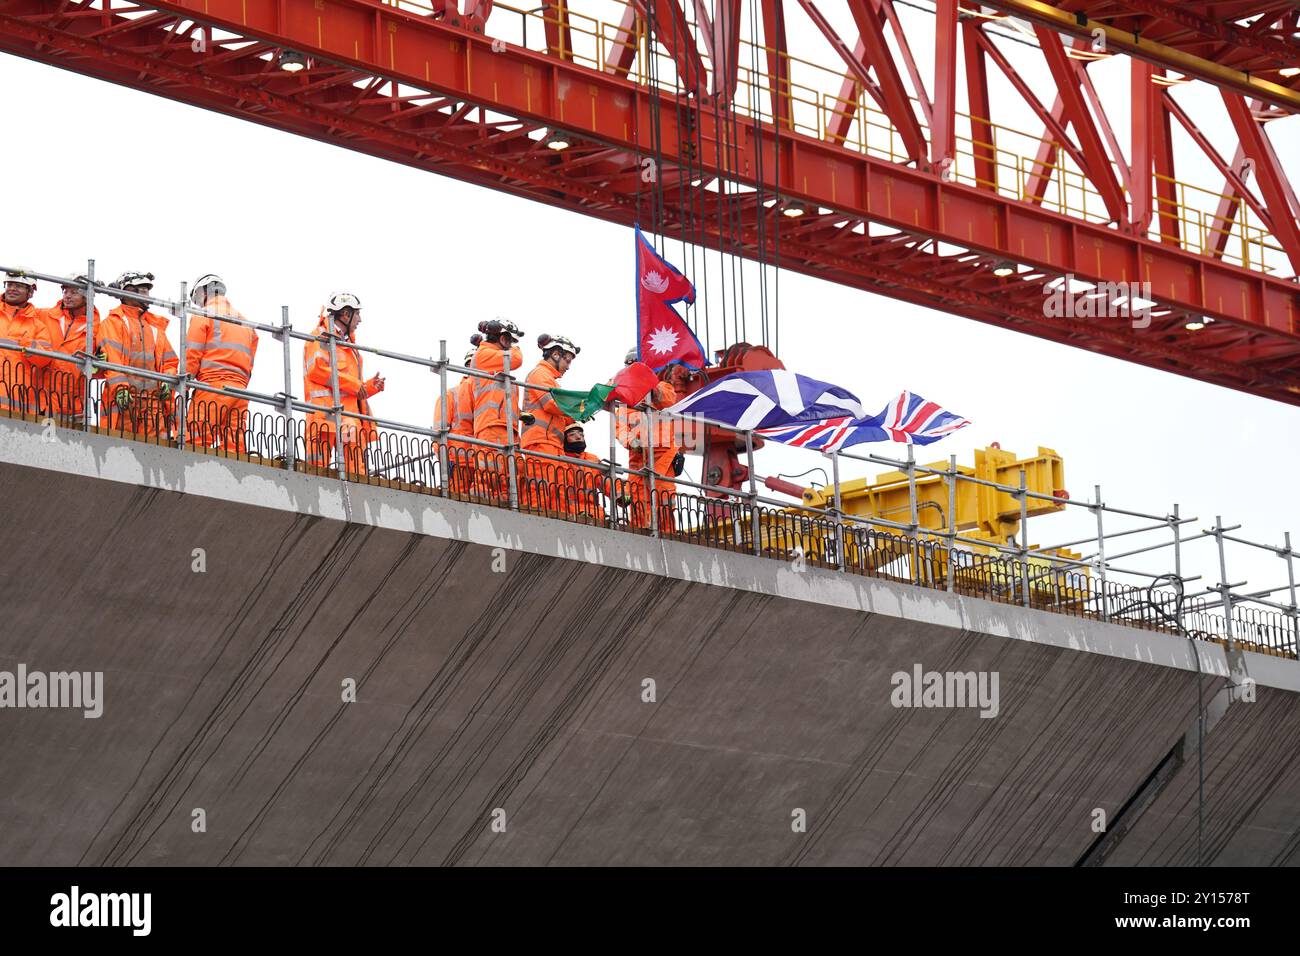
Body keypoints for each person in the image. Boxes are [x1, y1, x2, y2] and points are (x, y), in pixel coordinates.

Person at [303, 292, 384, 472]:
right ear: (345, 314)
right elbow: (317, 370)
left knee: (355, 473)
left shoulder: (351, 349)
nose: (360, 320)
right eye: (357, 314)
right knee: (316, 473)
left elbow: (351, 389)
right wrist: (356, 385)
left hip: (348, 421)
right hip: (323, 417)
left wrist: (369, 387)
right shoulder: (320, 338)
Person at [99, 271, 179, 439]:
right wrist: (120, 388)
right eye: (141, 290)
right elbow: (112, 359)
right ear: (127, 291)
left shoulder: (155, 327)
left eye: (147, 290)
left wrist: (167, 380)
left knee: (156, 455)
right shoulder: (114, 322)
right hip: (125, 401)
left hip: (154, 405)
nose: (146, 295)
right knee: (119, 451)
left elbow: (170, 361)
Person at [184, 274, 259, 452]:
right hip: (240, 390)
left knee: (197, 441)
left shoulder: (204, 314)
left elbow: (192, 354)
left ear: (203, 292)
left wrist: (183, 385)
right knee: (234, 446)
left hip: (212, 386)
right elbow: (250, 362)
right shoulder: (246, 323)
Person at [615, 363, 687, 531]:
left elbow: (668, 398)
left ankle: (668, 536)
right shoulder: (626, 403)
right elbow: (620, 428)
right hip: (638, 460)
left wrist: (651, 389)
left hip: (663, 458)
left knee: (665, 501)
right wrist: (632, 441)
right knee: (638, 501)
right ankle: (640, 534)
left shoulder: (660, 388)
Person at [469, 317, 530, 499]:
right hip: (490, 425)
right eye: (510, 340)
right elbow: (517, 359)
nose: (511, 345)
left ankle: (504, 505)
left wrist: (520, 414)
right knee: (488, 473)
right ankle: (481, 508)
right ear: (503, 339)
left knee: (510, 472)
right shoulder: (484, 355)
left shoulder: (494, 360)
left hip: (505, 426)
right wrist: (515, 348)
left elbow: (499, 396)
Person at [42, 271, 102, 425]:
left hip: (75, 405)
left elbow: (100, 369)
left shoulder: (97, 328)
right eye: (65, 291)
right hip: (42, 399)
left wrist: (101, 363)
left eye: (74, 292)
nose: (67, 296)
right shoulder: (44, 316)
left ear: (87, 296)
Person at [0, 270, 59, 416]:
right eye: (10, 284)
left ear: (30, 292)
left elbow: (44, 360)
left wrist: (26, 343)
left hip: (16, 402)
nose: (12, 289)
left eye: (19, 286)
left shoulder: (38, 326)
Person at [520, 333, 580, 456]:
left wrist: (580, 412)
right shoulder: (540, 373)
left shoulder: (550, 379)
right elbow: (551, 405)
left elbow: (561, 412)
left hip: (551, 443)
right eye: (567, 361)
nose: (568, 367)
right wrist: (578, 409)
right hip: (540, 442)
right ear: (555, 355)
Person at [433, 343, 478, 493]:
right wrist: (445, 462)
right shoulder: (450, 395)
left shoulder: (486, 394)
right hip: (460, 463)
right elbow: (438, 434)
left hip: (482, 464)